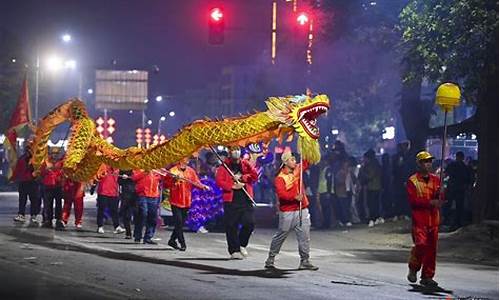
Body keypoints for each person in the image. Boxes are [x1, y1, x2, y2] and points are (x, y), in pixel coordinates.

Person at [264, 151, 318, 270]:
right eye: (292, 159)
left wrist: (309, 145)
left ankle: (305, 260)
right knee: (281, 235)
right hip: (287, 212)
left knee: (304, 235)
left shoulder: (298, 170)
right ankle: (271, 258)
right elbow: (282, 195)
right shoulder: (280, 178)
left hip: (302, 209)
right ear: (285, 162)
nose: (295, 161)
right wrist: (294, 197)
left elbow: (307, 161)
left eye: (295, 159)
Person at [406, 151, 442, 287]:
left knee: (431, 249)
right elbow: (413, 201)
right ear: (419, 164)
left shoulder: (436, 180)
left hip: (434, 219)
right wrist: (429, 202)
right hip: (419, 219)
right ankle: (413, 267)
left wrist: (440, 196)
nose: (428, 164)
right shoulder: (412, 181)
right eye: (425, 162)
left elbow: (441, 197)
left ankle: (427, 276)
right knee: (421, 245)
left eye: (430, 161)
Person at [215, 146, 258, 259]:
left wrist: (243, 178)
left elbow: (254, 176)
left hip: (246, 198)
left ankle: (242, 244)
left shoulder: (245, 164)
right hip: (231, 200)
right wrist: (232, 185)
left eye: (237, 149)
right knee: (231, 225)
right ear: (229, 152)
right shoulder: (224, 166)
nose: (235, 152)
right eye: (233, 150)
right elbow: (219, 181)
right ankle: (234, 250)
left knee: (250, 223)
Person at [164, 158, 209, 251]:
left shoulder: (190, 171)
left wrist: (203, 186)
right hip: (175, 200)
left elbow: (196, 182)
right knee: (179, 222)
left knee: (180, 224)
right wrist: (173, 180)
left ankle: (172, 240)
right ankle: (182, 242)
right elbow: (166, 184)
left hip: (186, 200)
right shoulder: (173, 171)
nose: (187, 160)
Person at [132, 169, 164, 244]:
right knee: (143, 214)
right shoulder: (139, 168)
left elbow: (163, 180)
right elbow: (134, 178)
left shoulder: (158, 170)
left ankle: (148, 237)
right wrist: (145, 172)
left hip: (154, 196)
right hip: (142, 195)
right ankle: (137, 235)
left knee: (153, 217)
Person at [443, 151, 471, 229]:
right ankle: (457, 222)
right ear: (462, 157)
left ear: (456, 157)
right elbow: (468, 179)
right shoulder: (465, 167)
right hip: (460, 188)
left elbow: (446, 173)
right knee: (459, 206)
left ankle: (447, 220)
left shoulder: (452, 165)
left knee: (448, 204)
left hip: (452, 187)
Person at [12, 147, 41, 224]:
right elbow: (19, 170)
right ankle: (21, 214)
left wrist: (36, 173)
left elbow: (40, 170)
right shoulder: (22, 159)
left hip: (33, 182)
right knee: (22, 200)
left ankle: (33, 215)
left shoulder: (37, 159)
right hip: (23, 182)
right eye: (29, 150)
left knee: (34, 200)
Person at [96, 165, 125, 234]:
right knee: (101, 209)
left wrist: (123, 177)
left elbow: (119, 179)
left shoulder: (117, 167)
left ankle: (117, 227)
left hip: (114, 192)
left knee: (114, 210)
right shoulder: (103, 166)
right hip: (103, 191)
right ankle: (100, 226)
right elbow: (97, 176)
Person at [40, 148, 64, 230]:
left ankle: (58, 220)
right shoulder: (46, 162)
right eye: (53, 153)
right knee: (48, 204)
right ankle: (48, 220)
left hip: (57, 186)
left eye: (56, 153)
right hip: (48, 186)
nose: (55, 155)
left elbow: (64, 173)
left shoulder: (61, 163)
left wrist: (58, 172)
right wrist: (46, 170)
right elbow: (41, 173)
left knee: (58, 204)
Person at [358, 149, 383, 227]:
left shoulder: (372, 165)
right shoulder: (374, 164)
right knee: (374, 204)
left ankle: (373, 218)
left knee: (372, 204)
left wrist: (362, 171)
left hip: (373, 187)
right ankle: (376, 218)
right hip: (374, 187)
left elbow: (370, 176)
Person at [118, 170, 137, 239]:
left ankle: (137, 234)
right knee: (126, 215)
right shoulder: (124, 169)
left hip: (138, 194)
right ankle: (128, 232)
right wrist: (123, 178)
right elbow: (119, 181)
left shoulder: (140, 168)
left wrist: (131, 177)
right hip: (126, 194)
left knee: (138, 215)